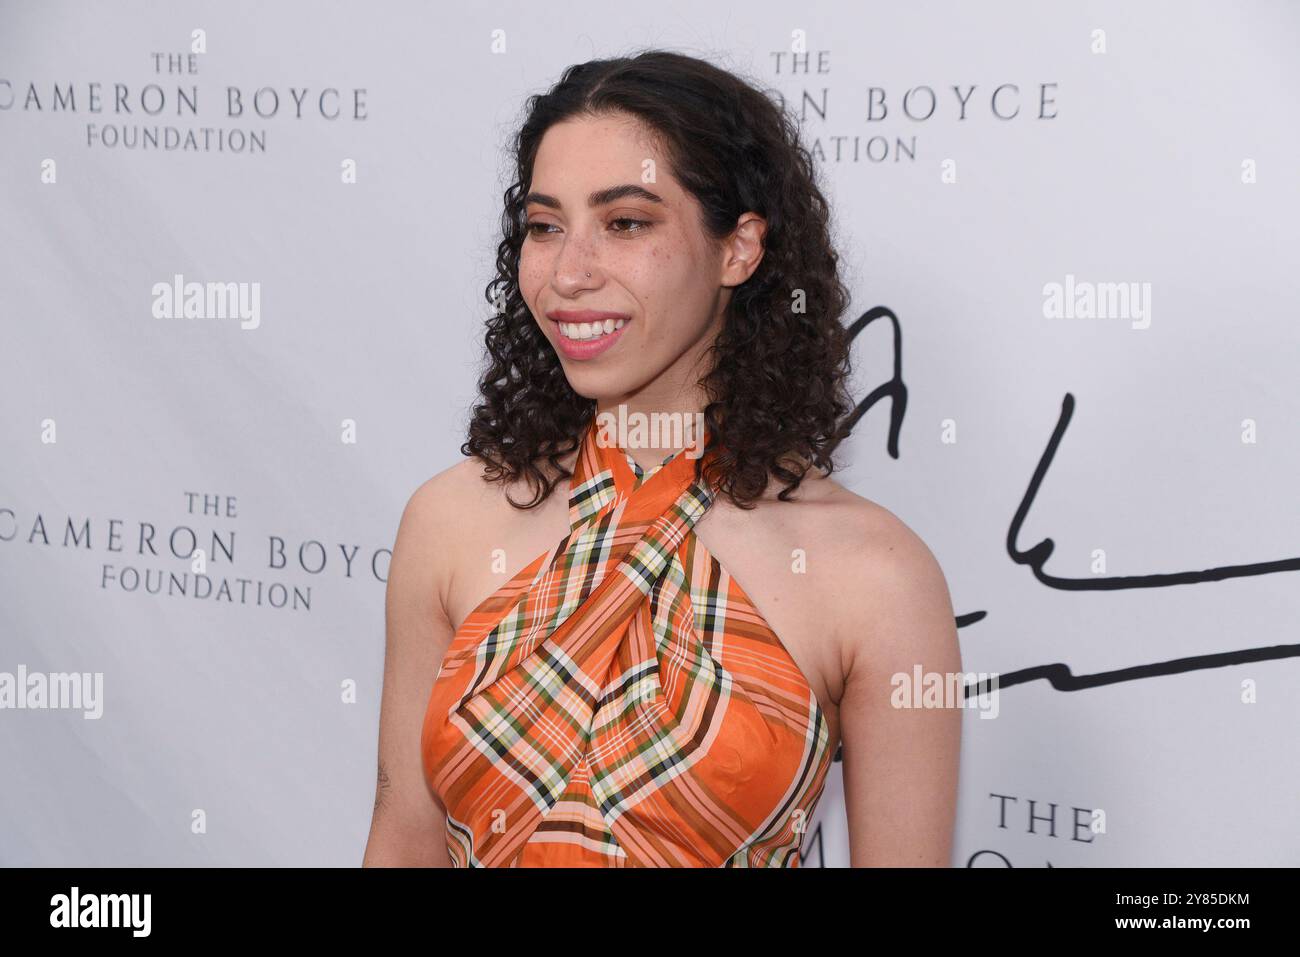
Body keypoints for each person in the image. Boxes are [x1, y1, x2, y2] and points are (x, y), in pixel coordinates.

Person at [363, 49, 961, 867]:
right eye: (545, 227)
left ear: (739, 249)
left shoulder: (876, 575)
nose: (569, 273)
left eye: (626, 223)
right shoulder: (452, 519)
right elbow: (403, 843)